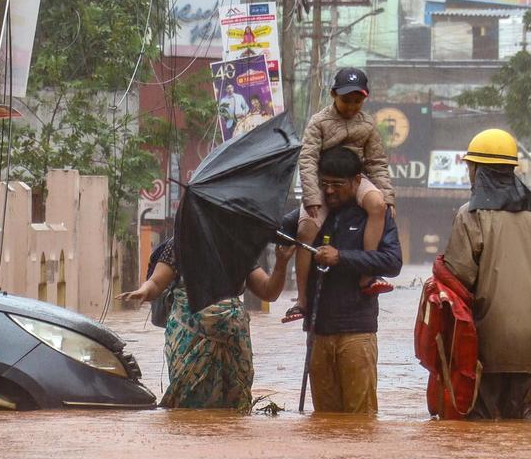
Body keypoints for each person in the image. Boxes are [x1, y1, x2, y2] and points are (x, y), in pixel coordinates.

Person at [282, 146, 402, 414]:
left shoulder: (374, 215)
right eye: (324, 184)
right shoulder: (310, 214)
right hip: (317, 332)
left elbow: (392, 262)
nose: (329, 191)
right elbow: (275, 230)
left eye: (337, 185)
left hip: (357, 332)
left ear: (357, 181)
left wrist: (342, 257)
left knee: (361, 420)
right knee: (323, 420)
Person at [443, 129, 531, 419]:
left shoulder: (470, 214)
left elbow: (458, 278)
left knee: (482, 419)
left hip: (484, 336)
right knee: (520, 418)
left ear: (479, 171)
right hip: (527, 339)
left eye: (470, 167)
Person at [117, 238, 294, 410]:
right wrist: (144, 291)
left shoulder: (238, 247)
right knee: (186, 401)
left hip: (233, 334)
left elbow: (268, 292)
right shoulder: (180, 244)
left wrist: (281, 263)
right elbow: (156, 282)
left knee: (234, 405)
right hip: (188, 333)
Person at [285, 67, 397, 324]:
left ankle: (367, 276)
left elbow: (377, 162)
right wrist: (312, 196)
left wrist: (388, 196)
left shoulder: (368, 124)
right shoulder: (318, 122)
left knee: (378, 205)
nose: (352, 106)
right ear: (333, 94)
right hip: (324, 183)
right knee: (305, 230)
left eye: (358, 101)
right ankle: (302, 300)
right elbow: (308, 159)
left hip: (356, 180)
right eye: (346, 100)